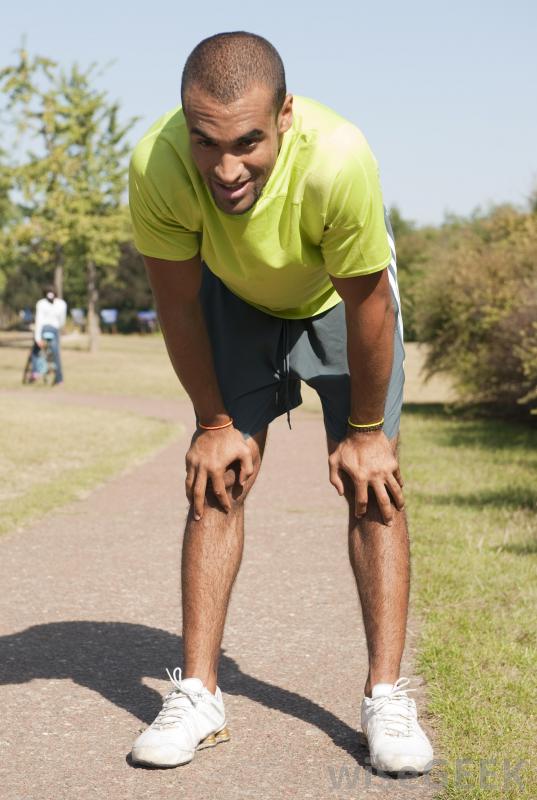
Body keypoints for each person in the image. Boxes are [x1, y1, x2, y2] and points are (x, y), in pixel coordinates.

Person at [128, 31, 434, 775]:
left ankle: (386, 696)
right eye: (206, 142)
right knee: (216, 475)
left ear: (285, 115)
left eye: (247, 142)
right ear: (183, 123)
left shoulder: (338, 158)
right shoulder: (158, 165)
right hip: (234, 297)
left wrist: (365, 433)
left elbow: (371, 305)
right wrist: (212, 423)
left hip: (338, 298)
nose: (226, 168)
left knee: (375, 487)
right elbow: (177, 304)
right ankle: (198, 693)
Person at [31, 286, 67, 384]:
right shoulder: (62, 304)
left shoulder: (41, 303)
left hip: (43, 329)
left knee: (35, 351)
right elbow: (62, 321)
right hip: (54, 330)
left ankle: (35, 372)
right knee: (56, 354)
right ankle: (59, 378)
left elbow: (39, 321)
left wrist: (38, 338)